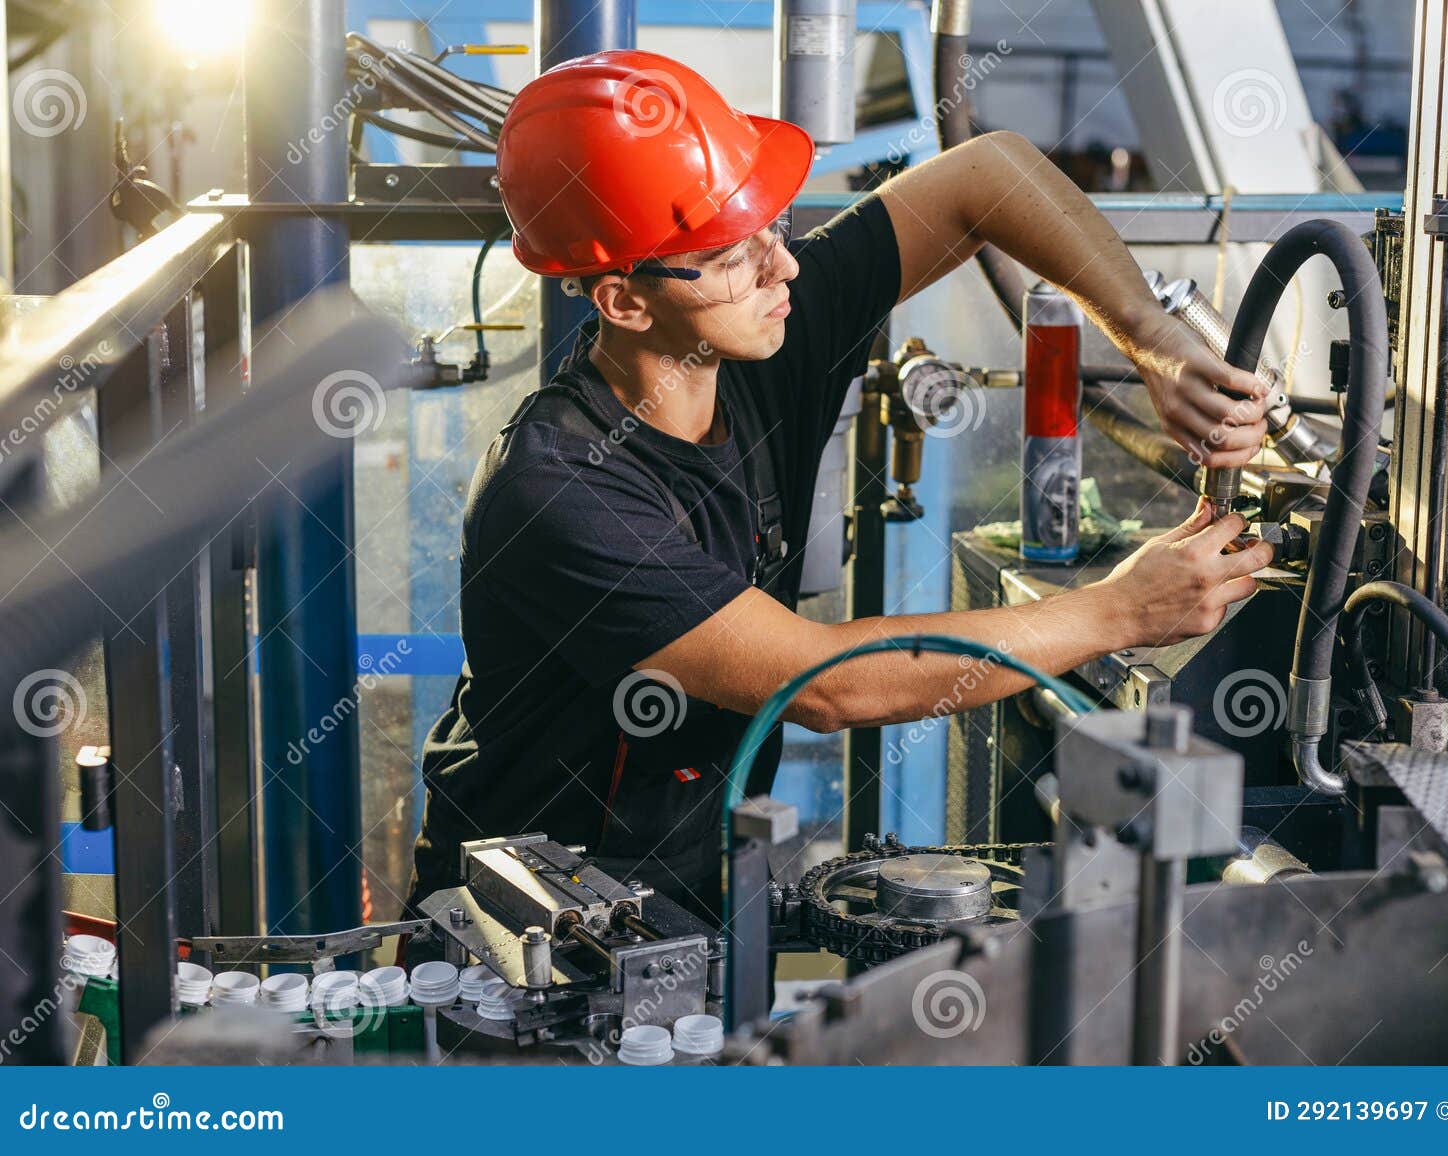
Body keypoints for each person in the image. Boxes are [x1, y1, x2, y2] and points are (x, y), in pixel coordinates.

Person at [405, 50, 1273, 924]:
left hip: (686, 903)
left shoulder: (754, 338)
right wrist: (1116, 613)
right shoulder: (559, 489)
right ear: (625, 301)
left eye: (771, 226)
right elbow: (821, 685)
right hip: (518, 933)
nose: (781, 267)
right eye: (734, 254)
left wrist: (1153, 339)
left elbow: (987, 171)